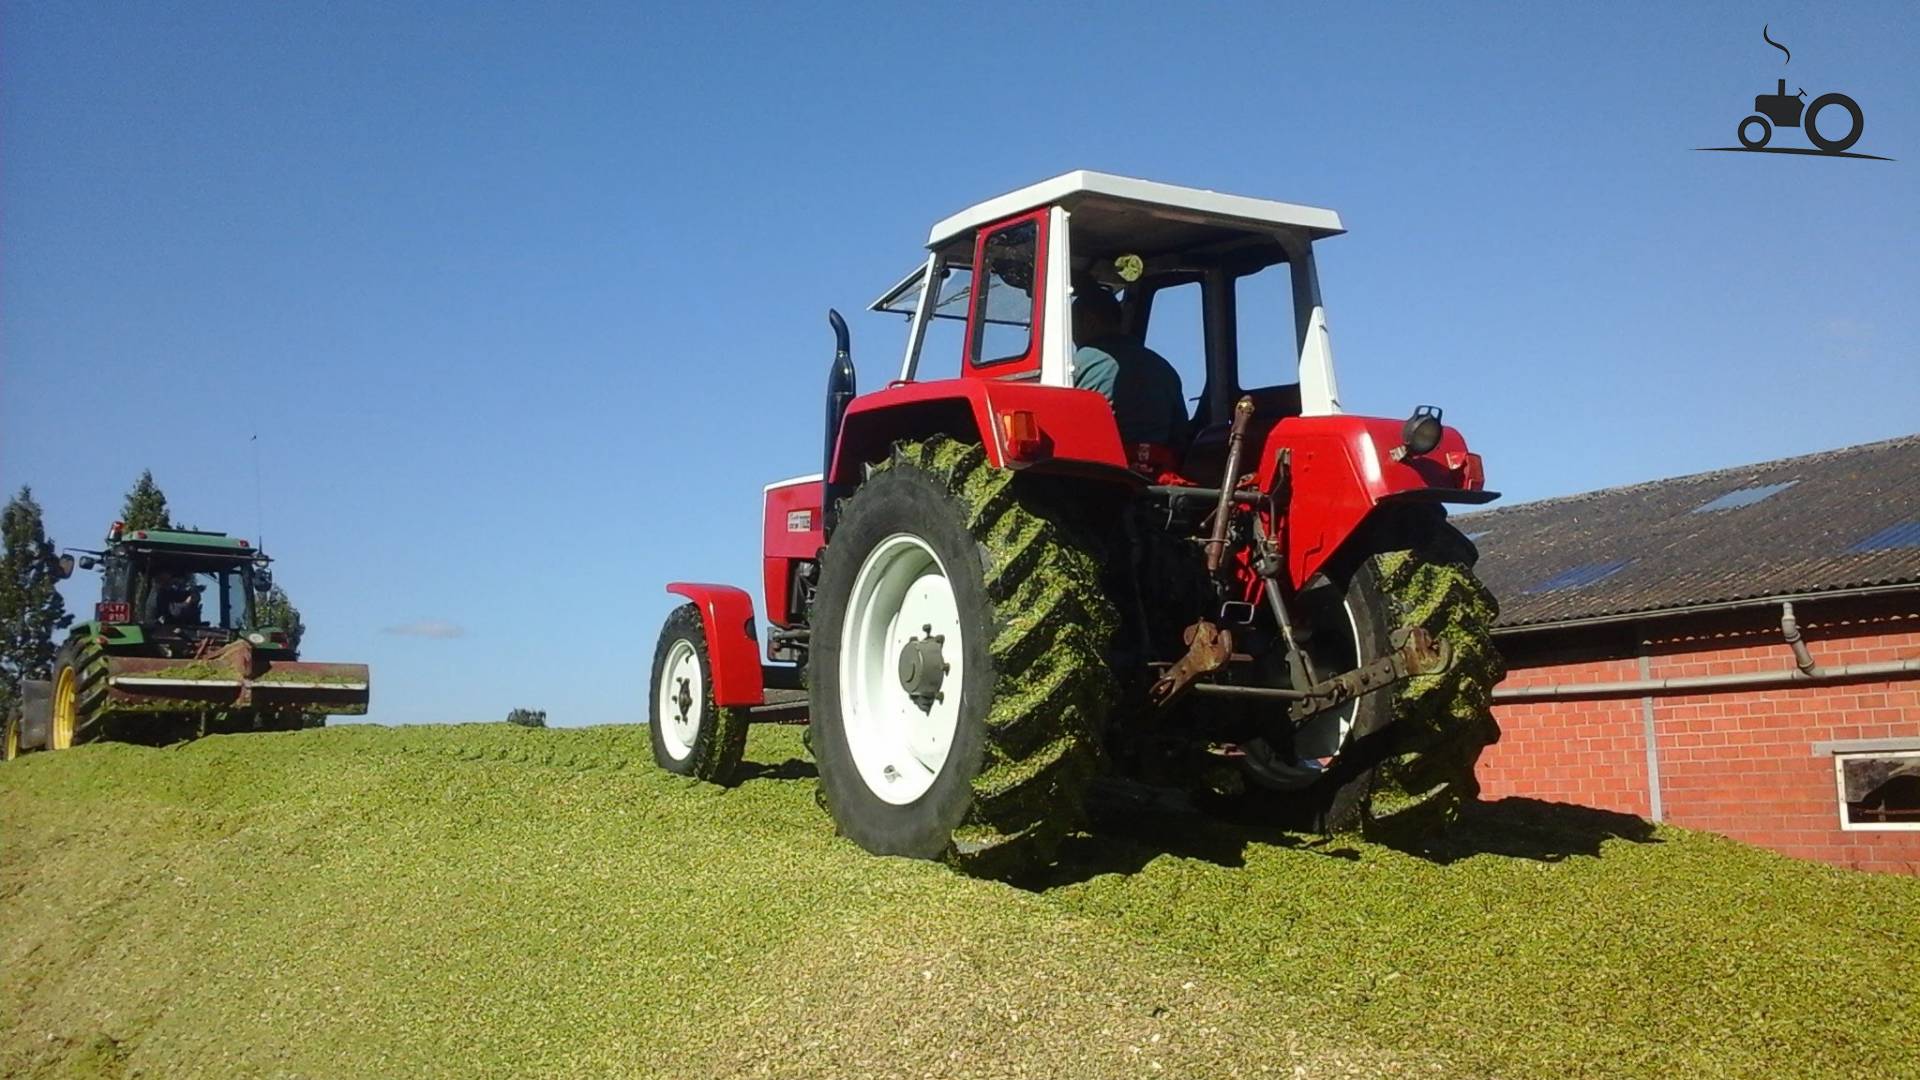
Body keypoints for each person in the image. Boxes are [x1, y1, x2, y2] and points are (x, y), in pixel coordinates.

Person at [1070, 288, 1189, 450]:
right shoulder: (1165, 369)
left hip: (1098, 466)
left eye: (1073, 326)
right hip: (1155, 469)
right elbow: (1180, 435)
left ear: (1089, 322)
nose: (1072, 336)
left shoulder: (1075, 365)